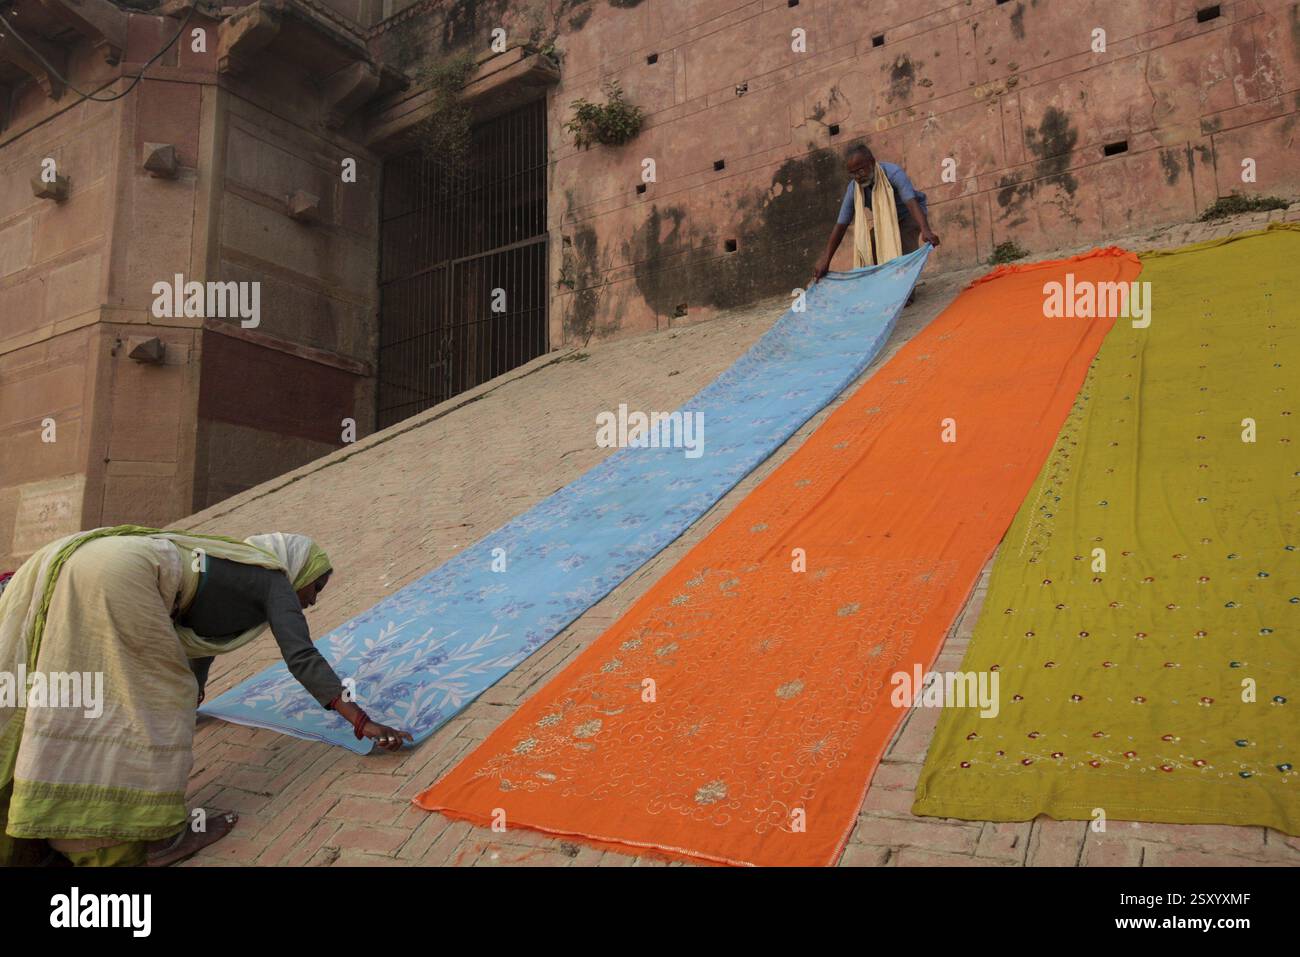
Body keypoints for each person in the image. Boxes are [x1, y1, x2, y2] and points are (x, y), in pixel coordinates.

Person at [0, 525, 411, 867]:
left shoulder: (231, 567)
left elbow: (200, 642)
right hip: (123, 577)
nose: (313, 599)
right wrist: (360, 720)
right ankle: (158, 837)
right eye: (315, 586)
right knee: (148, 706)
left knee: (77, 694)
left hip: (85, 560)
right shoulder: (274, 579)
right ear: (297, 569)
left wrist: (193, 699)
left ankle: (50, 816)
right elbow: (300, 655)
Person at [812, 142, 940, 284]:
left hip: (909, 216)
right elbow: (841, 225)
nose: (858, 177)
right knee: (870, 247)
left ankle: (906, 290)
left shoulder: (893, 173)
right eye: (853, 174)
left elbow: (911, 202)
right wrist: (826, 259)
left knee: (902, 252)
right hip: (886, 222)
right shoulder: (854, 189)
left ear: (872, 162)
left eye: (861, 170)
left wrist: (925, 230)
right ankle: (881, 286)